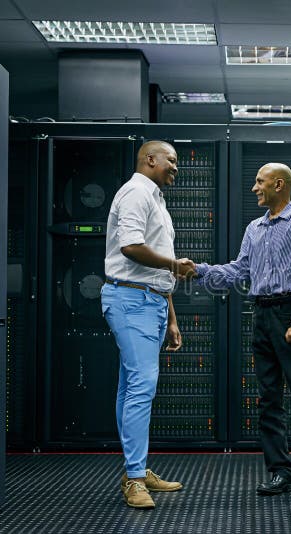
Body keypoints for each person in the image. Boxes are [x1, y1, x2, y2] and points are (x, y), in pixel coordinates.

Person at [186, 162, 291, 503]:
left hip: (289, 313)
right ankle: (281, 472)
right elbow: (239, 269)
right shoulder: (254, 228)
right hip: (261, 315)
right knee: (269, 401)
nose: (255, 188)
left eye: (260, 181)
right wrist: (199, 270)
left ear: (279, 184)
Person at [101, 140, 196, 509]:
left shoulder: (156, 199)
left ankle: (134, 470)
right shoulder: (135, 194)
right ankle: (135, 478)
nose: (176, 167)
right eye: (171, 161)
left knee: (131, 386)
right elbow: (131, 247)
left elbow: (156, 265)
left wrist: (171, 317)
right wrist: (175, 266)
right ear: (150, 159)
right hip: (129, 299)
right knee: (142, 385)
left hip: (150, 301)